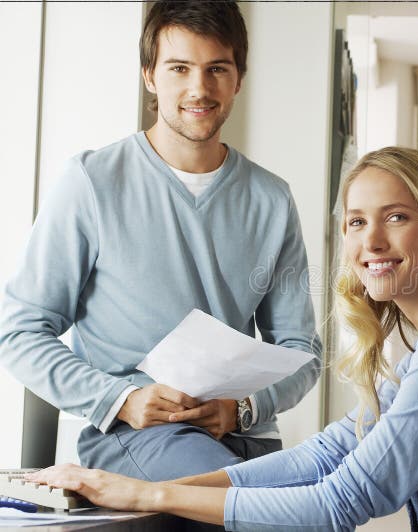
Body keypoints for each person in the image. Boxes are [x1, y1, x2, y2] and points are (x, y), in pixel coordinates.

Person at [27, 147, 418, 531]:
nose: (371, 239)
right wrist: (178, 485)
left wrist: (146, 494)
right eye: (355, 221)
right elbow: (330, 453)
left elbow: (343, 500)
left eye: (396, 217)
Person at [0, 1, 321, 480]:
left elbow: (302, 348)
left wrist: (245, 408)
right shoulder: (91, 181)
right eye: (179, 68)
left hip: (249, 433)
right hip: (141, 433)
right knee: (239, 498)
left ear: (238, 78)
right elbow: (19, 332)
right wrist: (121, 399)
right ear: (149, 75)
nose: (199, 88)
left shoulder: (272, 199)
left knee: (330, 503)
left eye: (217, 69)